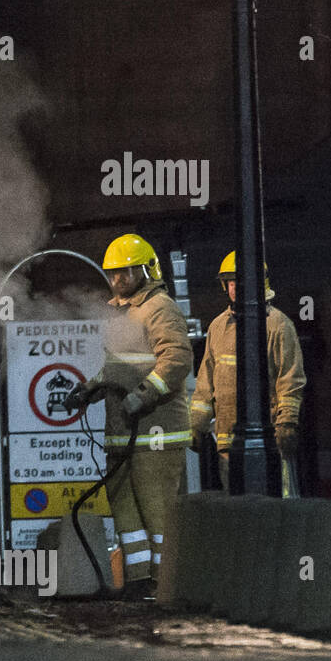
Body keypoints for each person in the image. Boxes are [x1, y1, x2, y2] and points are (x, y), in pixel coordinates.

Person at [66, 234, 193, 599]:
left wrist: (144, 394)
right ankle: (138, 583)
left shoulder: (160, 308)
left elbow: (177, 359)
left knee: (158, 515)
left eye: (126, 272)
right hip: (120, 433)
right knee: (126, 514)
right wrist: (90, 389)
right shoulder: (117, 313)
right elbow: (115, 370)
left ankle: (166, 583)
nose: (119, 280)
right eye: (113, 274)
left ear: (147, 269)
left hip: (157, 432)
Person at [189, 252, 306, 494]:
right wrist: (196, 425)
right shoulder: (217, 327)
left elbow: (290, 378)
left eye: (239, 281)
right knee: (237, 513)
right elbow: (205, 383)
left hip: (270, 441)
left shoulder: (277, 324)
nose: (235, 287)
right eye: (230, 282)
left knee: (274, 505)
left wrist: (287, 422)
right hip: (227, 441)